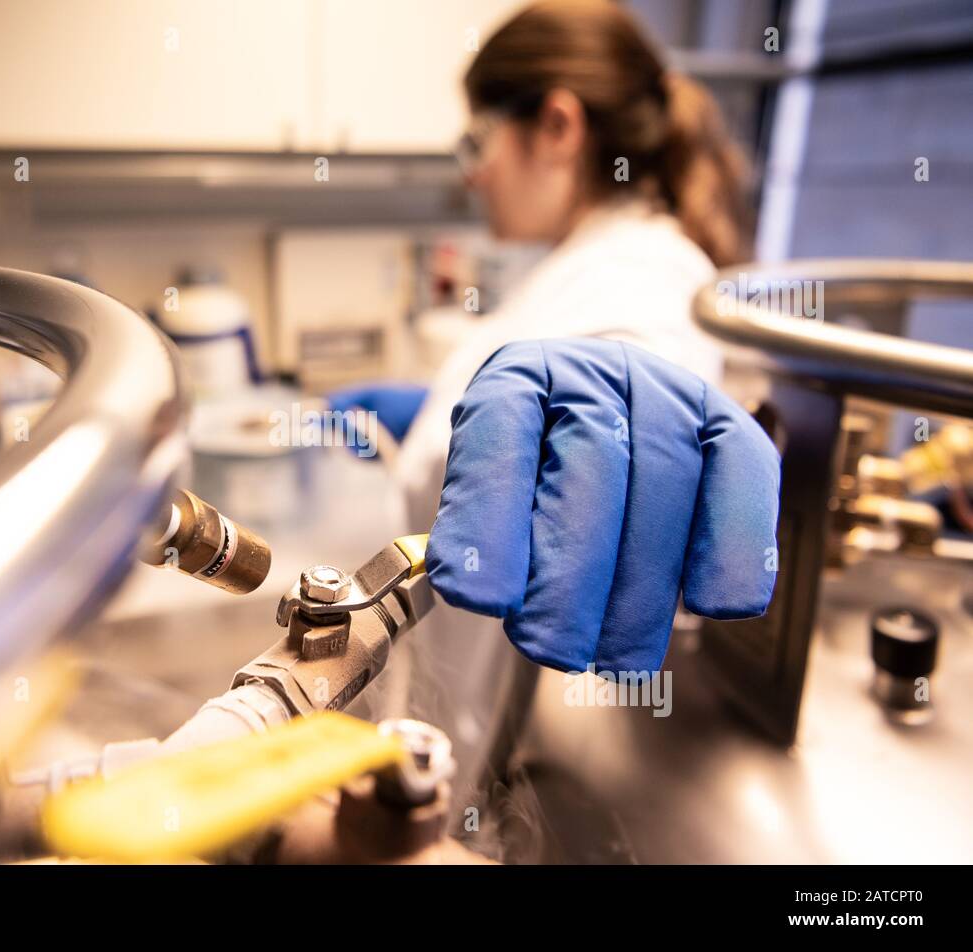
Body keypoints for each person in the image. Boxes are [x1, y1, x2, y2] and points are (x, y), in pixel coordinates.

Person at [332, 0, 780, 809]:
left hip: (494, 747)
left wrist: (623, 403)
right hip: (453, 722)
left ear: (559, 127)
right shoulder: (588, 257)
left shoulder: (644, 271)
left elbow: (641, 363)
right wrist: (435, 415)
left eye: (478, 142)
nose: (471, 173)